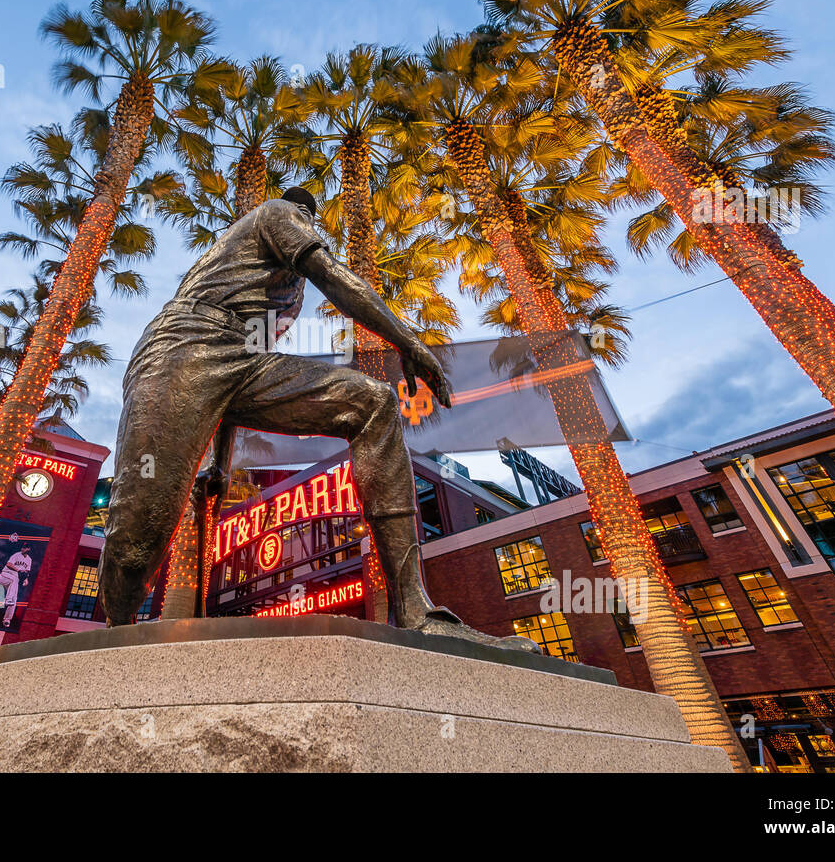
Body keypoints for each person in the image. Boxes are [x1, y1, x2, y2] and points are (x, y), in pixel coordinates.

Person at [100, 187, 538, 651]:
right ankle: (116, 643)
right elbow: (331, 275)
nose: (312, 223)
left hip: (245, 358)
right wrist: (406, 340)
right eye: (310, 216)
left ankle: (415, 611)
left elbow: (235, 384)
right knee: (136, 543)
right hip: (184, 348)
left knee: (372, 402)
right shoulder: (278, 212)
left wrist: (220, 460)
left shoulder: (281, 284)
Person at [0, 542, 33, 628]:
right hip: (5, 575)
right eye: (23, 547)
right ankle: (8, 599)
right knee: (14, 580)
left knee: (14, 600)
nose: (23, 549)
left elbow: (27, 571)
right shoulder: (16, 555)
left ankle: (6, 619)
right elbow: (9, 564)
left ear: (29, 549)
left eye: (25, 548)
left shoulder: (29, 560)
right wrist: (18, 570)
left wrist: (26, 579)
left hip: (14, 580)